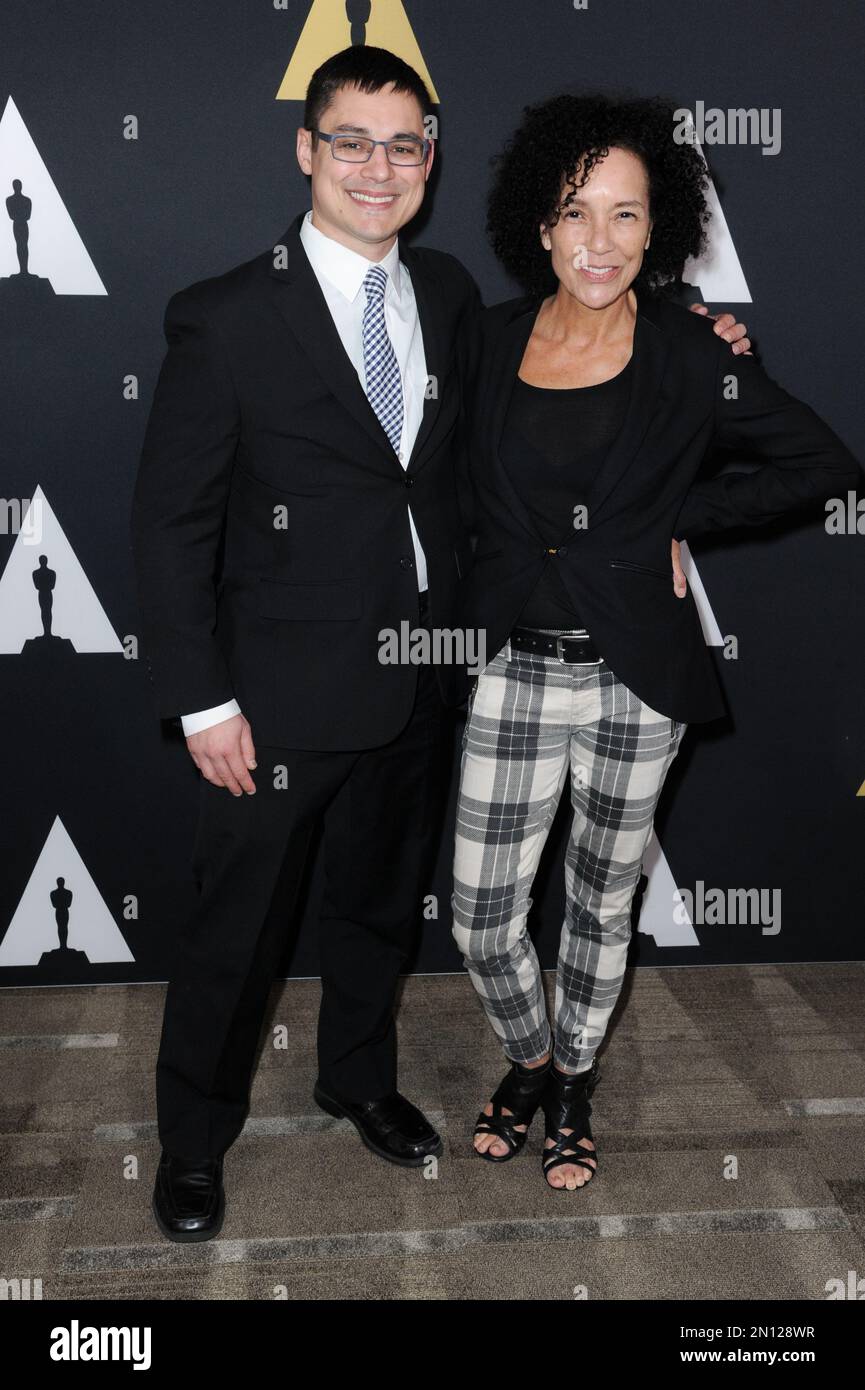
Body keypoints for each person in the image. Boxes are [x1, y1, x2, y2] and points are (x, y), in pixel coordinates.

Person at [132, 48, 748, 1241]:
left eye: (404, 143)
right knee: (236, 931)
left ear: (431, 158)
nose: (378, 166)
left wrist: (696, 337)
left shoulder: (456, 297)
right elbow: (170, 525)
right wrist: (202, 700)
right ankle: (193, 1141)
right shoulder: (224, 316)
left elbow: (578, 368)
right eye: (351, 141)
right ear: (306, 150)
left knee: (373, 912)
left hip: (427, 678)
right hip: (271, 698)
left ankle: (356, 1077)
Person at [451, 92, 861, 1192]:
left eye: (626, 216)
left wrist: (678, 515)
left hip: (638, 679)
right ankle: (529, 1053)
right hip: (510, 670)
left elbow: (822, 464)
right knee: (484, 915)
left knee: (600, 899)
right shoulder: (484, 342)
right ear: (538, 225)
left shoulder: (688, 349)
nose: (599, 241)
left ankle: (570, 1082)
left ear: (658, 229)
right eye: (576, 212)